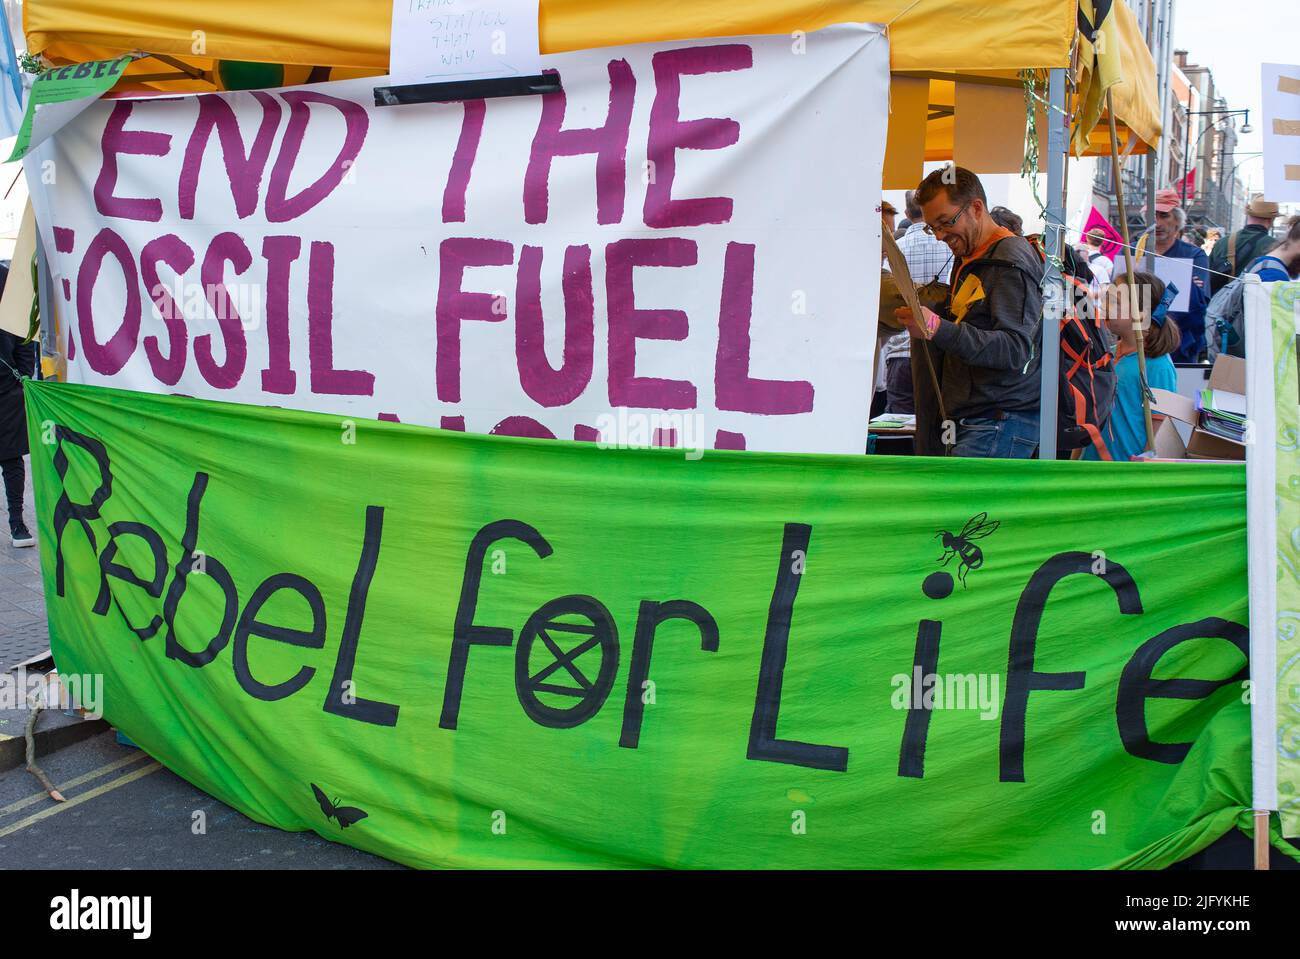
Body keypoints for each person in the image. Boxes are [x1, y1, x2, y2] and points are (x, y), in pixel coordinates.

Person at [894, 166, 1044, 458]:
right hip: (982, 420)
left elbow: (1015, 349)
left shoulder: (1008, 260)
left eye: (945, 222)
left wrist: (937, 327)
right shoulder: (974, 256)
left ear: (976, 208)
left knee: (965, 506)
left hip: (999, 420)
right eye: (931, 227)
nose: (939, 236)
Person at [1083, 272, 1180, 462]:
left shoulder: (1157, 365)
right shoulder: (1106, 354)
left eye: (1115, 302)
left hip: (1125, 465)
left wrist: (1141, 463)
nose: (1105, 306)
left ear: (1141, 313)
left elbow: (1159, 422)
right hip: (1092, 461)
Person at [880, 191, 955, 414]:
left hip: (899, 353)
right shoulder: (948, 247)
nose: (888, 242)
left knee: (898, 430)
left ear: (906, 213)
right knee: (934, 422)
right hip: (937, 349)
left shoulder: (898, 248)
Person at [1149, 188, 1210, 363]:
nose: (1157, 223)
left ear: (1177, 221)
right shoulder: (1132, 251)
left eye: (1164, 215)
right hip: (1138, 341)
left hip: (1180, 346)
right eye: (1153, 215)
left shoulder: (1195, 255)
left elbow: (1197, 299)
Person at [1, 267, 37, 548]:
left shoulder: (8, 278)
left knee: (11, 458)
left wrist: (23, 376)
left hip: (7, 388)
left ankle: (17, 522)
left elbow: (23, 331)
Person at [1208, 195, 1280, 294]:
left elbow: (1207, 278)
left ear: (1248, 215)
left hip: (1221, 305)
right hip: (1256, 305)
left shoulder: (1222, 243)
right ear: (1271, 220)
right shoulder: (1275, 246)